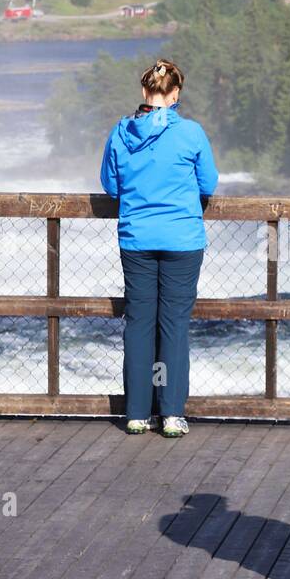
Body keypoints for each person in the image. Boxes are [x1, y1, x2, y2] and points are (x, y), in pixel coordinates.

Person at [100, 58, 218, 437]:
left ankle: (136, 412)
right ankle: (170, 413)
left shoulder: (121, 133)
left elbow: (111, 186)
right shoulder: (192, 134)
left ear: (144, 91)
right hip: (182, 240)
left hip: (137, 239)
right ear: (176, 93)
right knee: (174, 325)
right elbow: (208, 185)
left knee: (138, 323)